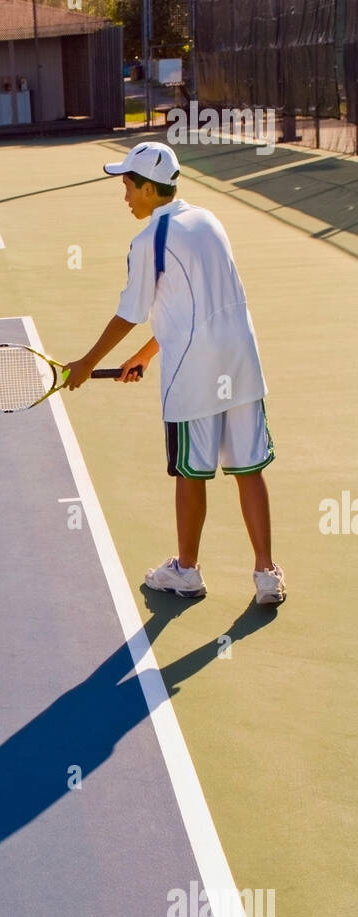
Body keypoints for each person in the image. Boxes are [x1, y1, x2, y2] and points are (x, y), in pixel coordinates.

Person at [62, 140, 286, 605]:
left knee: (191, 473)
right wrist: (146, 354)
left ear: (147, 187)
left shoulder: (148, 241)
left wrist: (85, 362)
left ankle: (186, 571)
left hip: (194, 375)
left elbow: (131, 312)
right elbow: (193, 304)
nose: (124, 197)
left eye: (127, 186)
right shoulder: (209, 220)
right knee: (249, 470)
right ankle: (266, 574)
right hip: (241, 362)